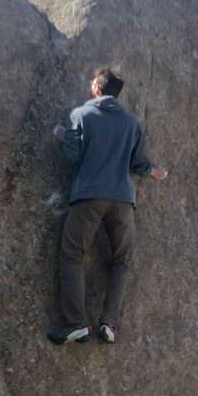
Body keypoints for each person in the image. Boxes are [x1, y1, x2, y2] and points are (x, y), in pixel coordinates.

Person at [48, 66, 167, 345]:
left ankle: (75, 323)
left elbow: (72, 156)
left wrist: (62, 135)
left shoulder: (81, 115)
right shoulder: (132, 124)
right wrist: (155, 172)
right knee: (122, 260)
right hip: (123, 200)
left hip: (89, 196)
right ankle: (109, 322)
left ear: (97, 89)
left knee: (72, 255)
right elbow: (138, 163)